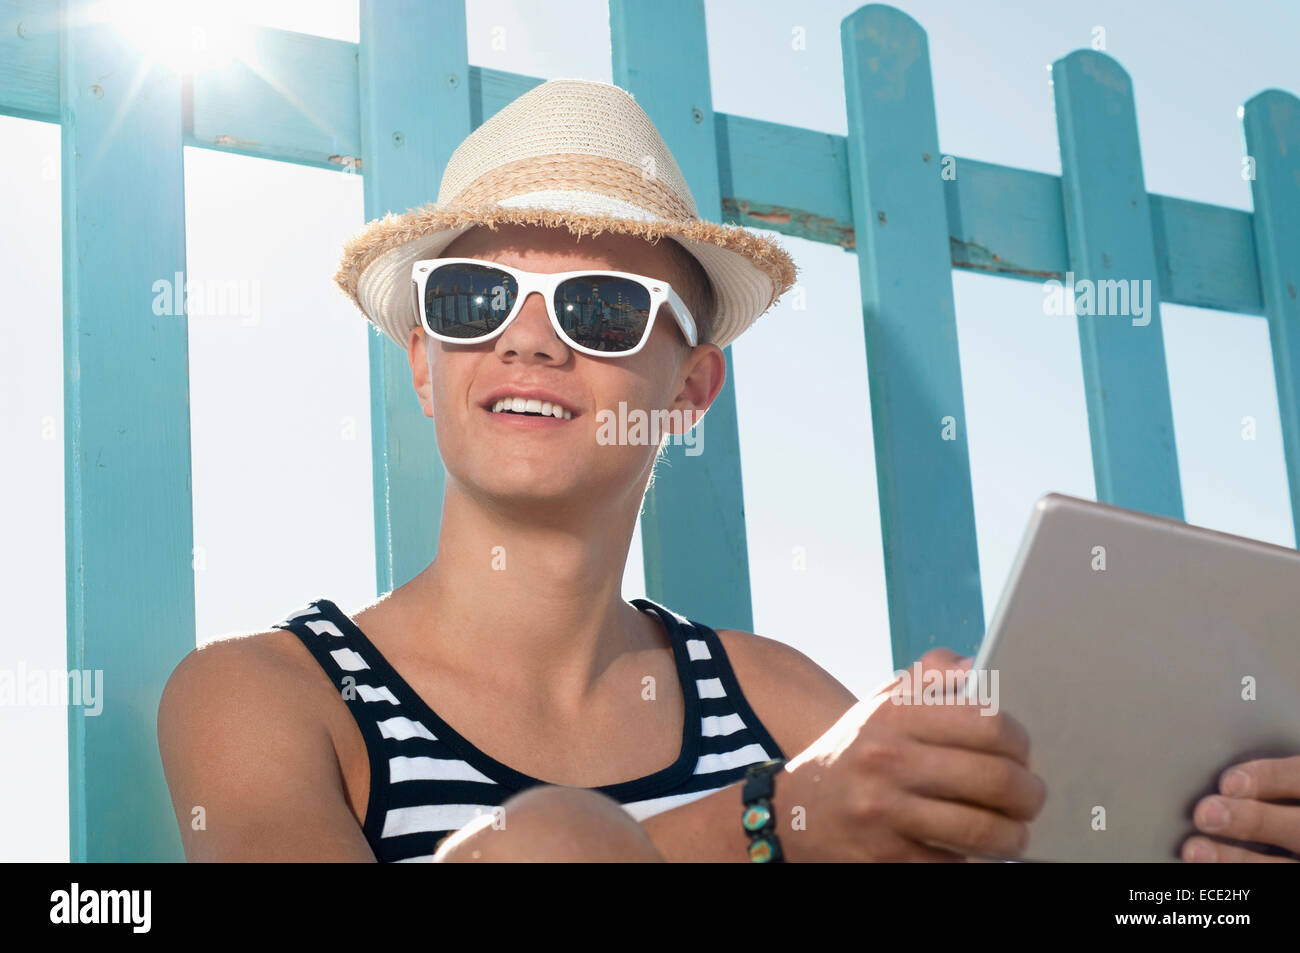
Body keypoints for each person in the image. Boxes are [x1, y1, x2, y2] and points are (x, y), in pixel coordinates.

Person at [156, 79, 1298, 863]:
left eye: (602, 310)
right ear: (424, 362)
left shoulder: (777, 697)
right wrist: (771, 823)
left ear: (691, 389)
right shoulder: (268, 693)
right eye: (475, 301)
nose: (529, 341)